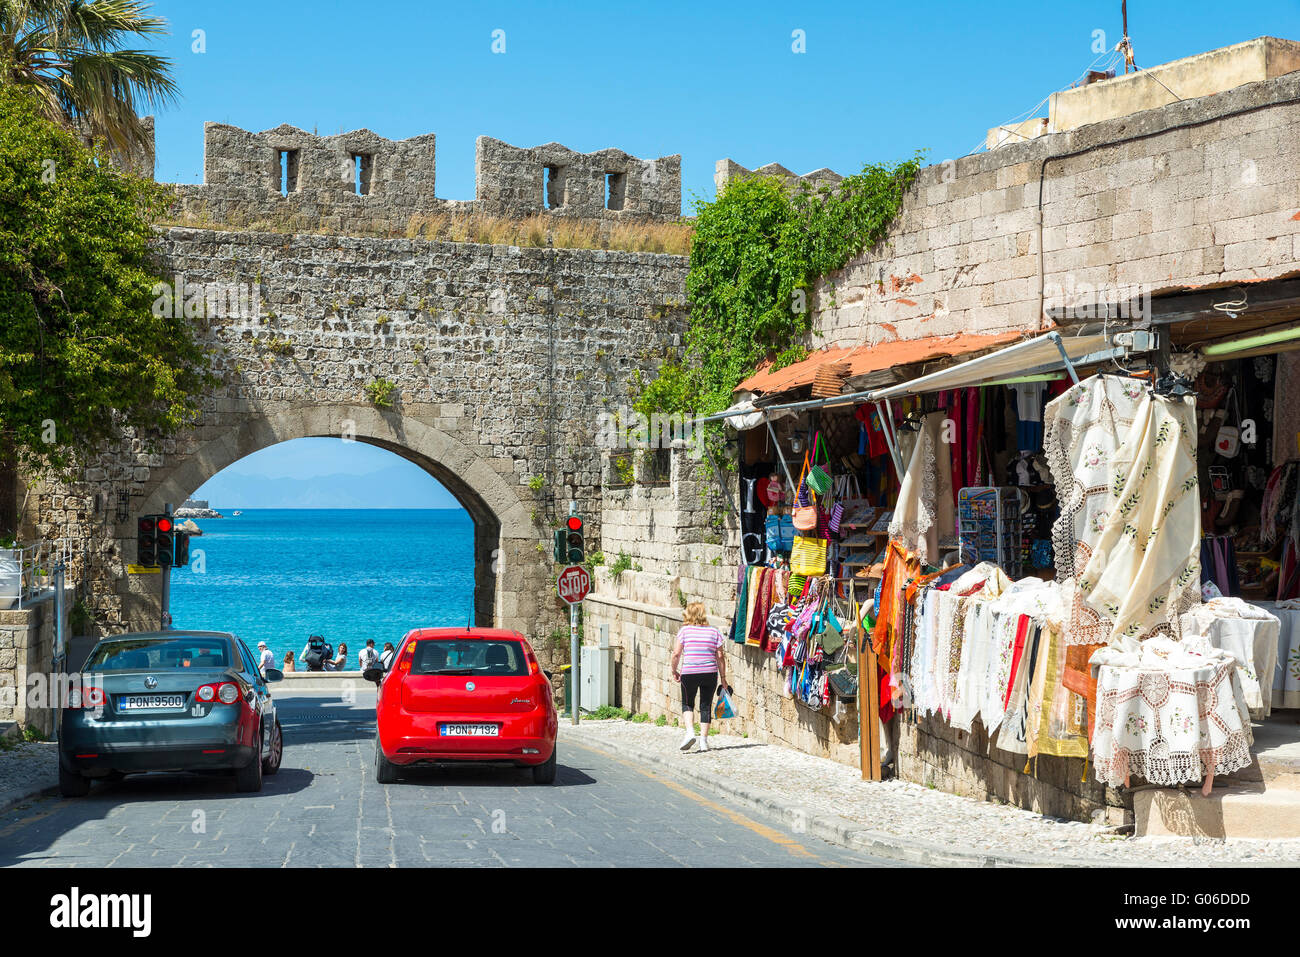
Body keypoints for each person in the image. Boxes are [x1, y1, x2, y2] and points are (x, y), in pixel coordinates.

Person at [669, 602, 729, 753]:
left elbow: (676, 654)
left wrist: (674, 670)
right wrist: (723, 678)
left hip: (689, 672)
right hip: (710, 673)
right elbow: (720, 656)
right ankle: (703, 741)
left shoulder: (684, 631)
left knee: (688, 704)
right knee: (705, 705)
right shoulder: (714, 632)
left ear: (688, 615)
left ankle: (690, 732)